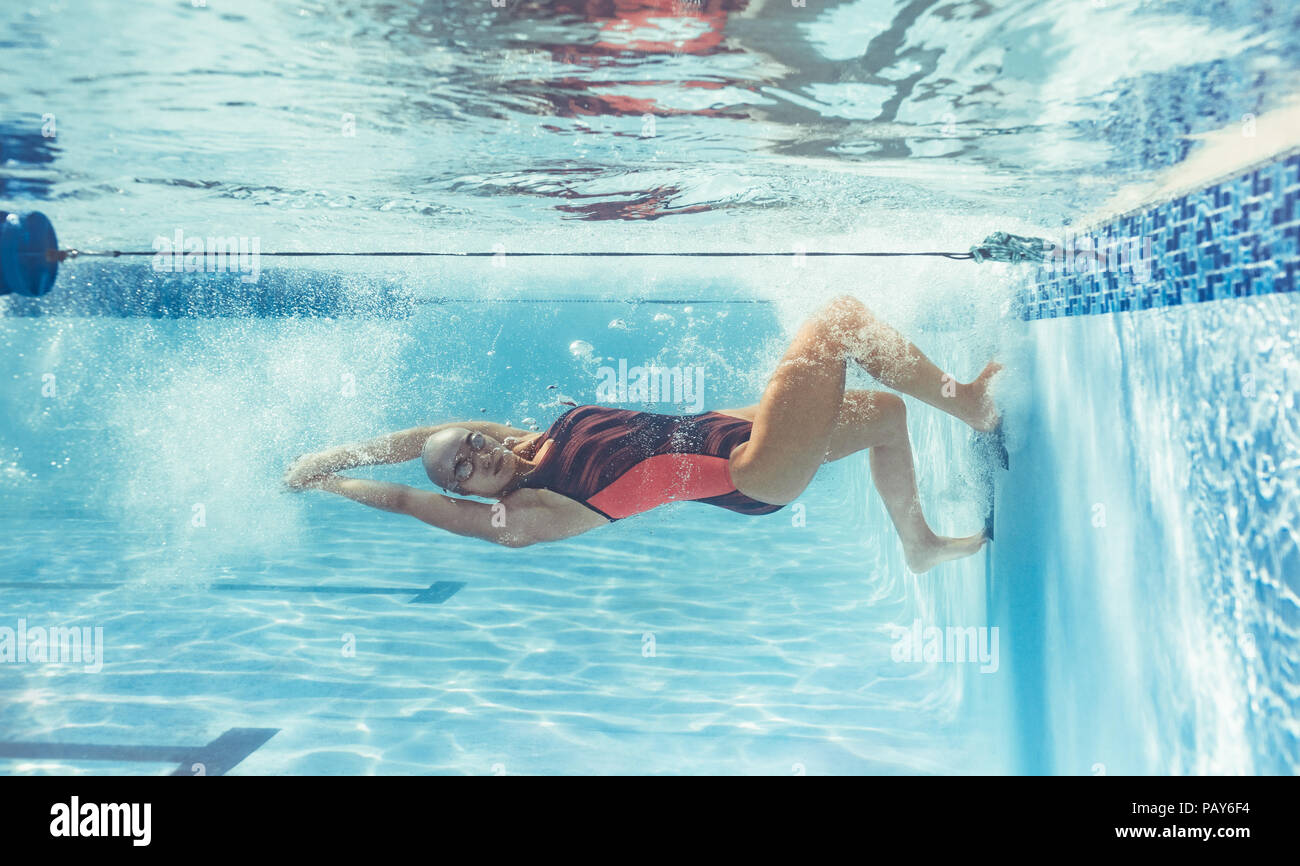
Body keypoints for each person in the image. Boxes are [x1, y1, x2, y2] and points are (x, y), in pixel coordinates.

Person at [284, 295, 1001, 572]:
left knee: (883, 415)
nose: (478, 454)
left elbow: (427, 437)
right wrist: (335, 480)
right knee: (837, 322)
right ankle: (968, 403)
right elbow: (413, 499)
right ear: (466, 496)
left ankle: (919, 543)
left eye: (473, 442)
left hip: (733, 430)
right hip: (753, 470)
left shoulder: (526, 443)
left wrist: (332, 448)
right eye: (464, 471)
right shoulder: (526, 514)